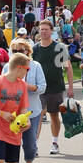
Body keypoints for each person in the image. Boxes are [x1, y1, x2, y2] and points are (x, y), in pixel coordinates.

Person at [31, 20, 73, 156]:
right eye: (41, 29)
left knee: (54, 115)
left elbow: (68, 67)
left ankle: (55, 142)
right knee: (39, 114)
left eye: (46, 29)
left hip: (55, 87)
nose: (43, 32)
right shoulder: (35, 49)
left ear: (51, 31)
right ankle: (34, 144)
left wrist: (71, 87)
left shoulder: (59, 48)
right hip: (39, 88)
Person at [8, 39, 46, 163]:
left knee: (29, 144)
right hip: (12, 112)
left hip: (31, 111)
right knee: (12, 143)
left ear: (28, 52)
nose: (18, 53)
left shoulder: (35, 66)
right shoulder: (7, 67)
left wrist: (27, 86)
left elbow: (42, 87)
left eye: (21, 50)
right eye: (15, 51)